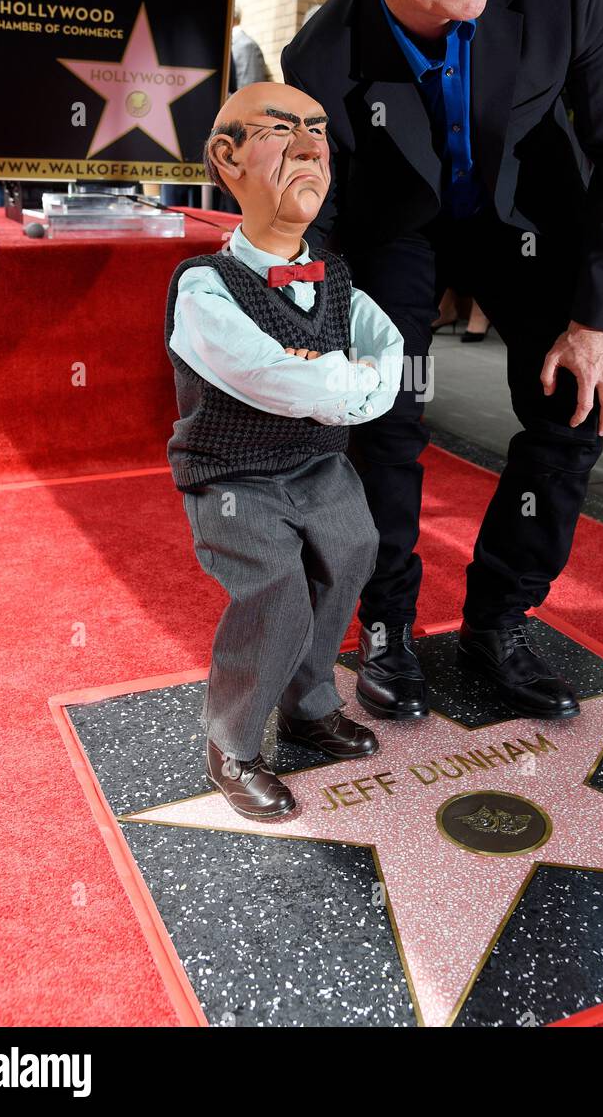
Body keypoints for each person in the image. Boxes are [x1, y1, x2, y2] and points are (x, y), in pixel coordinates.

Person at [280, 0, 603, 723]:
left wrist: (594, 325)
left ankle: (499, 620)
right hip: (396, 223)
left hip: (523, 207)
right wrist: (318, 343)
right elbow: (317, 227)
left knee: (574, 401)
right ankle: (387, 623)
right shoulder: (320, 66)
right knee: (385, 412)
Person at [164, 81, 404, 820]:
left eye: (318, 132)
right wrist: (337, 380)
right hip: (232, 473)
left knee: (352, 555)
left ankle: (308, 703)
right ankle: (232, 742)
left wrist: (330, 379)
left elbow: (389, 357)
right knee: (275, 592)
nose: (308, 147)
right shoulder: (205, 286)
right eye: (280, 132)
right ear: (225, 160)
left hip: (319, 463)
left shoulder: (337, 276)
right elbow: (265, 376)